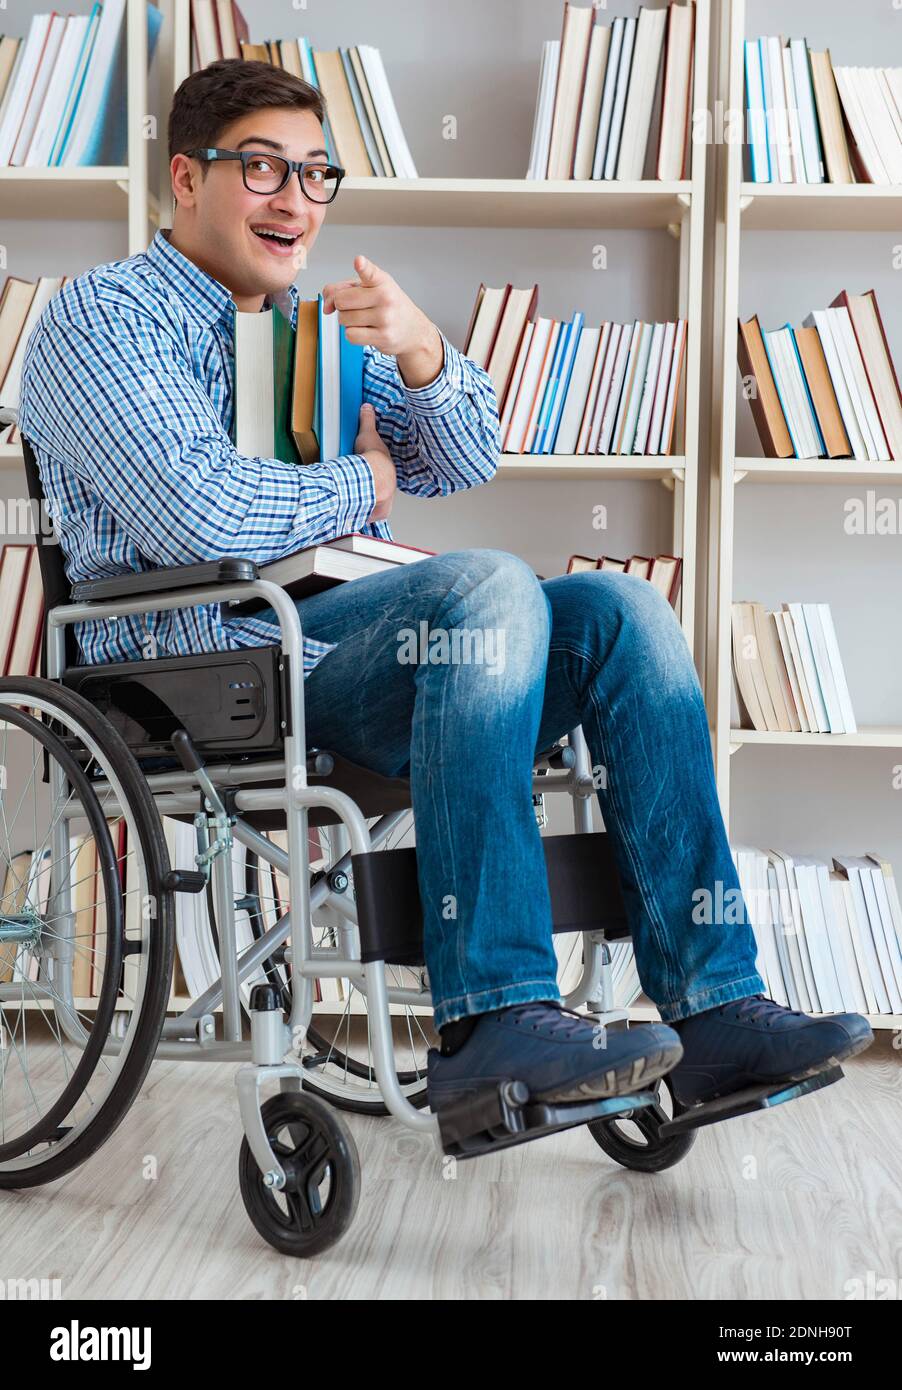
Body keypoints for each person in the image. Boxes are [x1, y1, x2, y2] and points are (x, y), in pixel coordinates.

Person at [19, 60, 872, 1116]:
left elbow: (465, 454)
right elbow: (203, 512)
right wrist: (365, 478)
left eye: (316, 173)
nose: (294, 199)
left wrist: (422, 353)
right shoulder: (101, 323)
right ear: (186, 178)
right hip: (202, 669)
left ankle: (711, 1010)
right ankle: (494, 1020)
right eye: (262, 169)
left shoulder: (313, 332)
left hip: (347, 648)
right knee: (483, 590)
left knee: (620, 614)